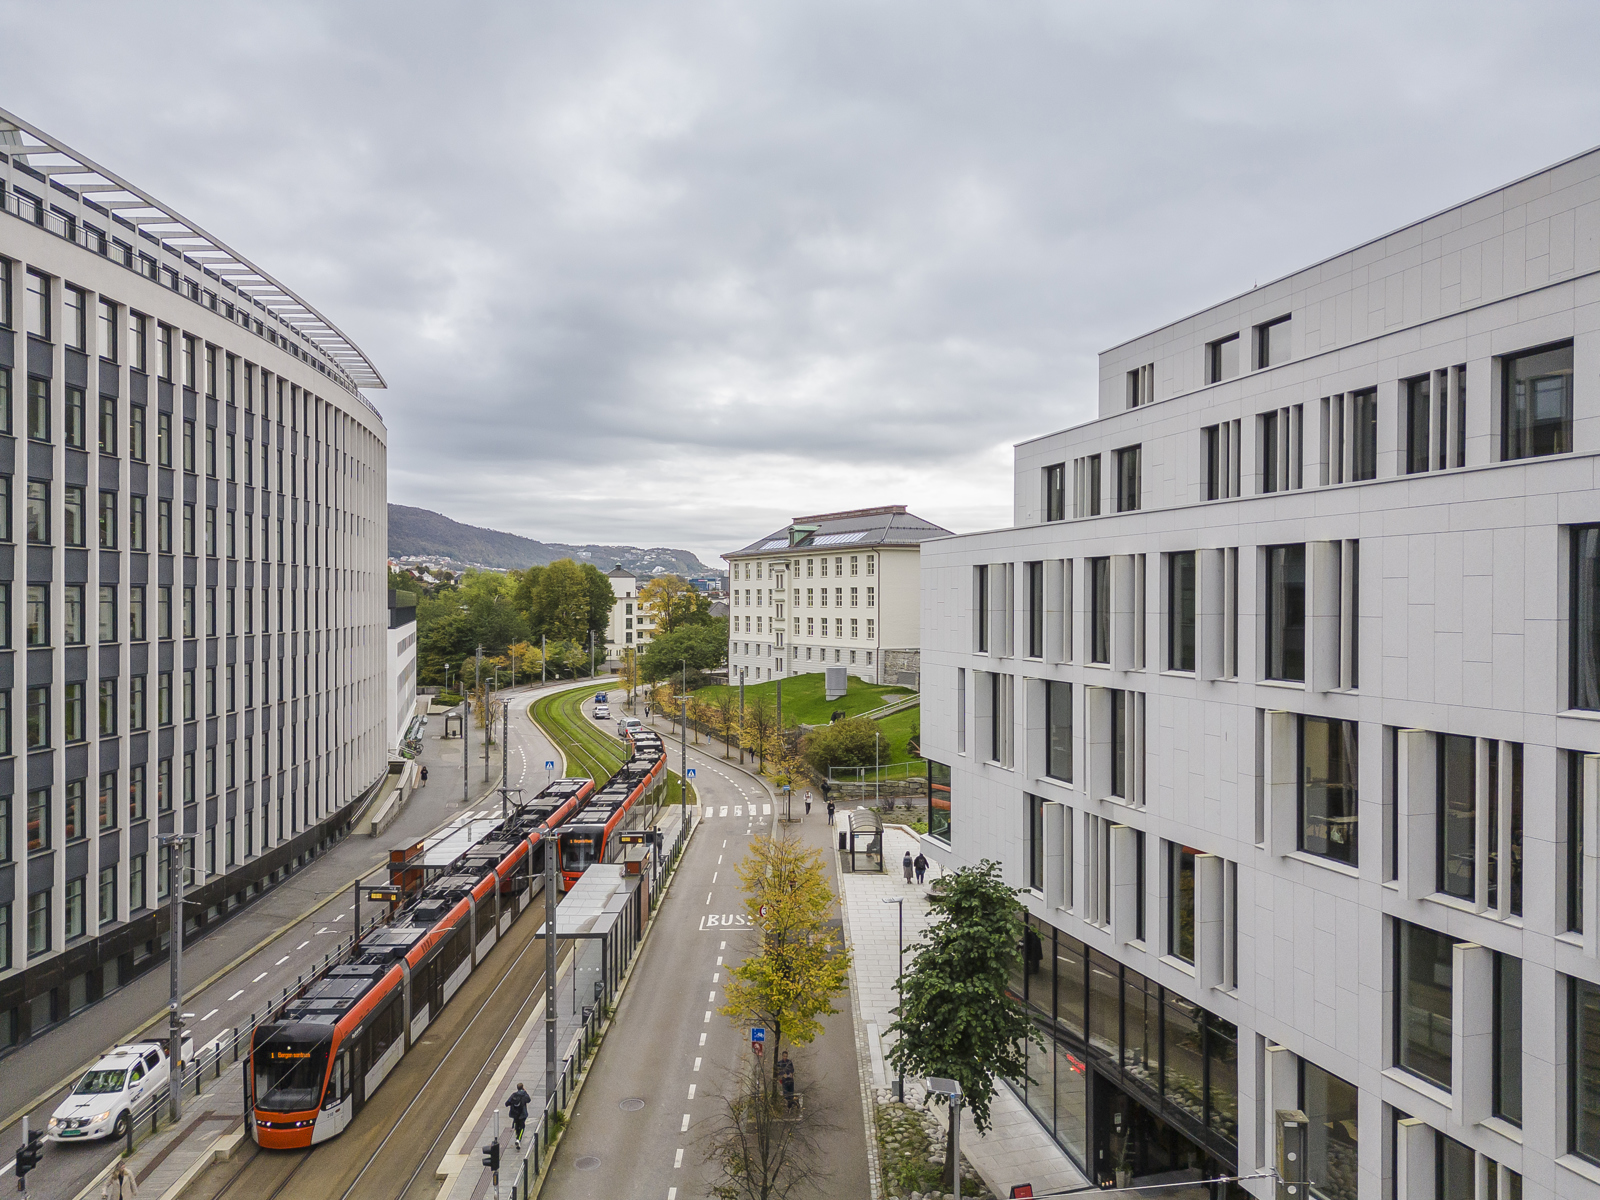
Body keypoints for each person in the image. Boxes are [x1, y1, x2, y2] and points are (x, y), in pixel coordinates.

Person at [506, 1082, 531, 1147]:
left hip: (515, 1114)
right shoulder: (524, 1095)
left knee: (516, 1126)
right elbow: (529, 1100)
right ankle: (518, 1139)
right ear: (523, 1087)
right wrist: (525, 1092)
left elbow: (507, 1103)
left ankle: (517, 1137)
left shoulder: (514, 1095)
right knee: (522, 1127)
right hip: (522, 1114)